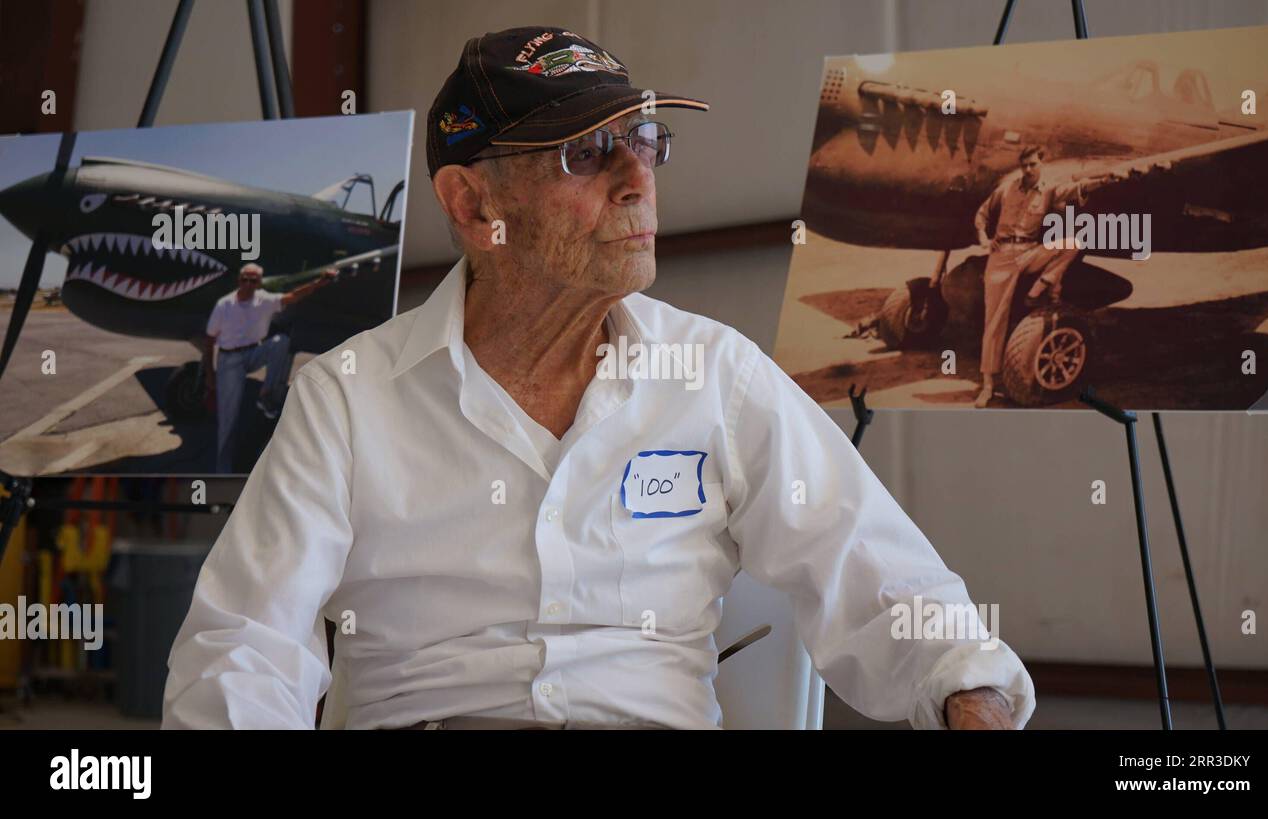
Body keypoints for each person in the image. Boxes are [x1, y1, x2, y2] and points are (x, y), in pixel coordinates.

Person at [165, 26, 1034, 730]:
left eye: (646, 142)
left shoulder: (716, 376)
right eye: (588, 154)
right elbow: (245, 649)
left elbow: (886, 581)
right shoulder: (350, 400)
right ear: (473, 205)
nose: (639, 182)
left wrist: (972, 696)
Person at [971, 145, 1090, 408]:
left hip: (1029, 252)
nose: (1028, 170)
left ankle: (1039, 288)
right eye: (1024, 165)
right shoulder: (1006, 189)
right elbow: (982, 214)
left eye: (1033, 164)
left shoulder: (1048, 190)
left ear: (1041, 164)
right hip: (1001, 255)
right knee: (994, 322)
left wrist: (1103, 180)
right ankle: (988, 385)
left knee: (1073, 243)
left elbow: (1073, 190)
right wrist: (983, 237)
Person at [203, 262, 336, 472]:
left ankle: (268, 395)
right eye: (244, 279)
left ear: (258, 283)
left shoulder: (264, 300)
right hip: (229, 361)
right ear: (239, 281)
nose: (248, 284)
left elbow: (294, 296)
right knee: (228, 422)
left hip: (253, 353)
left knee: (280, 342)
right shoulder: (224, 305)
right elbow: (209, 340)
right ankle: (223, 471)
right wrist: (209, 374)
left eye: (253, 281)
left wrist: (321, 282)